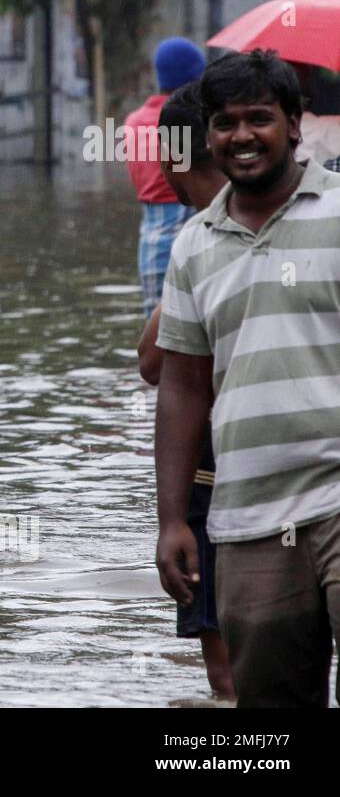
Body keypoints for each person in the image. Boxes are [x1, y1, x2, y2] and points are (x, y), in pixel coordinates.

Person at [155, 49, 340, 707]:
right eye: (225, 122)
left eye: (258, 118)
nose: (242, 135)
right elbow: (180, 386)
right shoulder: (194, 245)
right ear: (208, 135)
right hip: (247, 517)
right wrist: (172, 519)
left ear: (294, 124)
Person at [135, 82, 234, 699]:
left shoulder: (204, 235)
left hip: (214, 475)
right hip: (297, 474)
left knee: (227, 672)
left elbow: (151, 361)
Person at [126, 37, 207, 317]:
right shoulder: (193, 119)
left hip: (150, 235)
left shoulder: (133, 122)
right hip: (191, 222)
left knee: (157, 321)